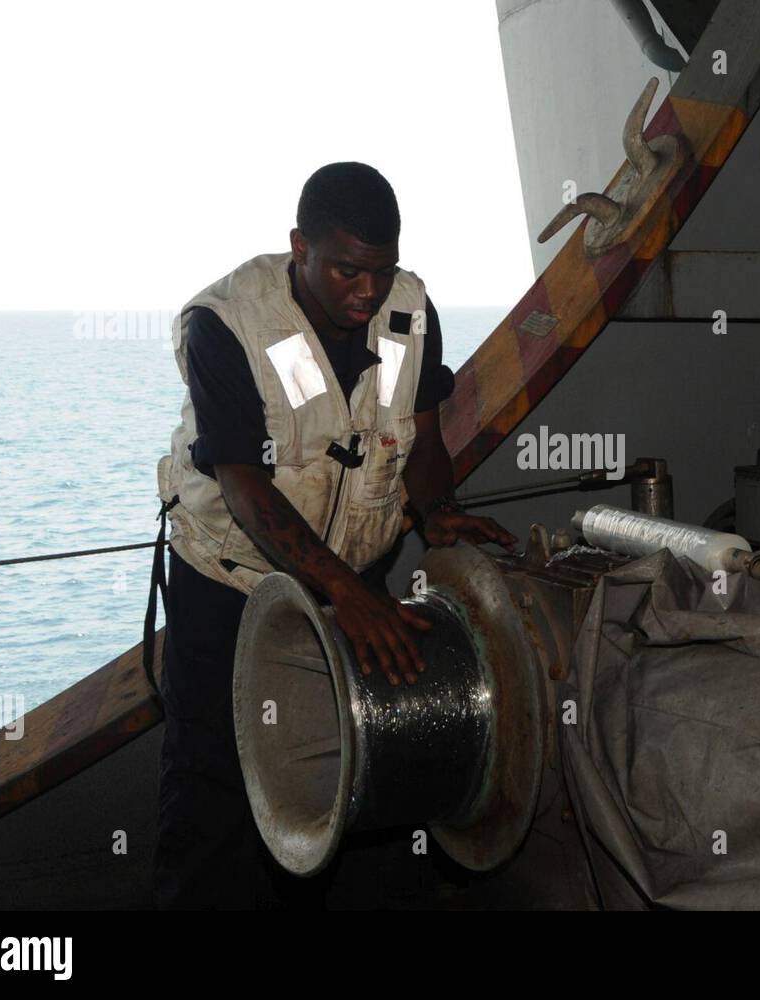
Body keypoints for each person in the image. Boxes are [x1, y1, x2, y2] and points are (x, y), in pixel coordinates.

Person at [148, 162, 516, 909]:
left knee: (352, 771)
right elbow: (245, 488)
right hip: (232, 587)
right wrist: (347, 596)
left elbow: (417, 433)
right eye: (349, 270)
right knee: (216, 786)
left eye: (381, 271)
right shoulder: (228, 324)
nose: (368, 292)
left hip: (352, 580)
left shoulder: (409, 310)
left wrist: (435, 509)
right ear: (299, 248)